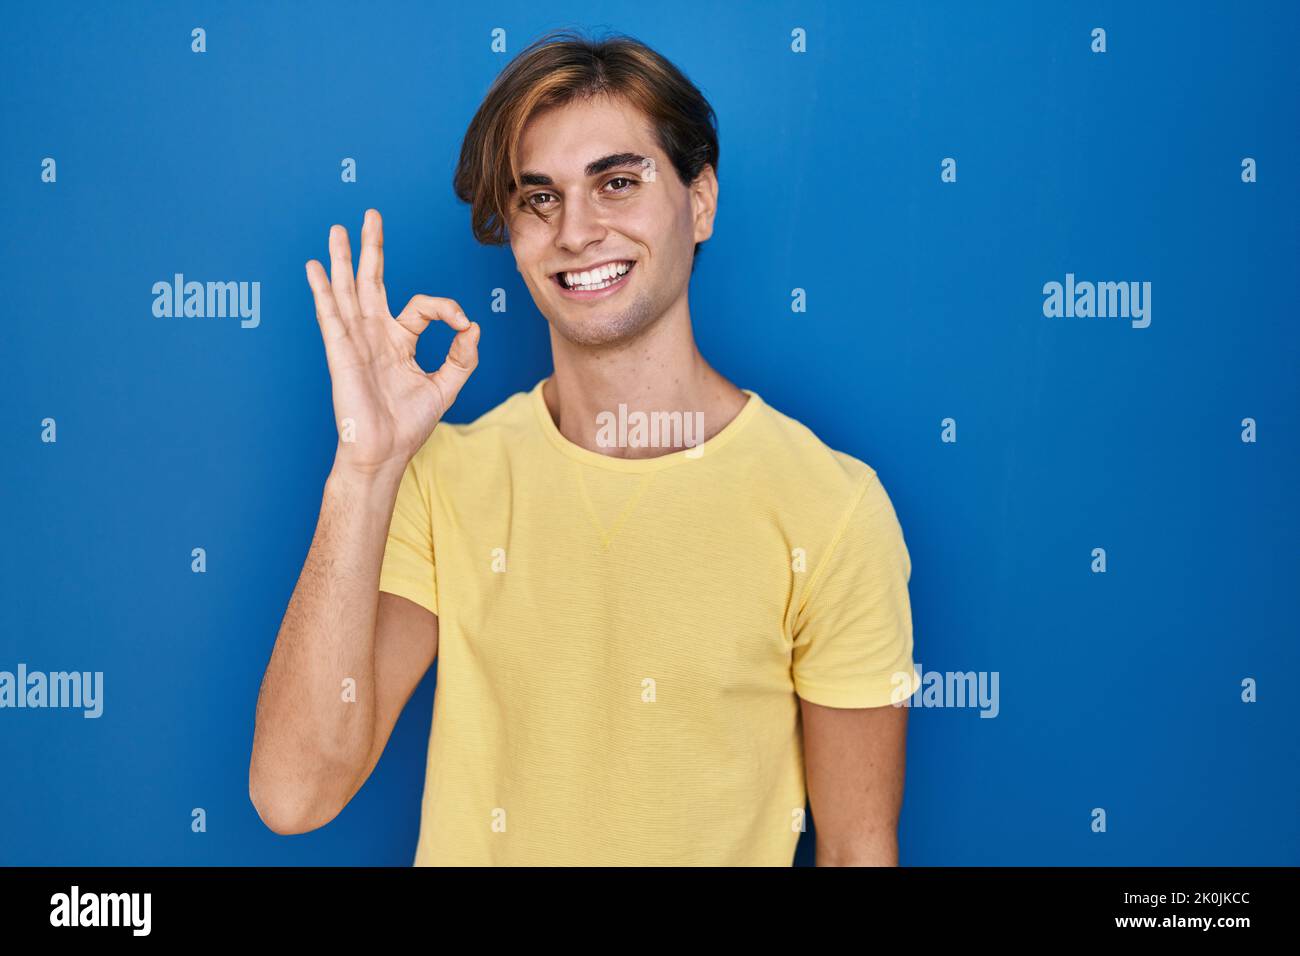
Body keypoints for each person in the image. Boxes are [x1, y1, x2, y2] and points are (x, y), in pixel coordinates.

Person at [249, 28, 920, 866]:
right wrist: (365, 470)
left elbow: (858, 847)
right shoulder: (441, 480)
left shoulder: (832, 507)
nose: (576, 230)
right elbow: (293, 794)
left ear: (700, 200)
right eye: (539, 198)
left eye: (618, 182)